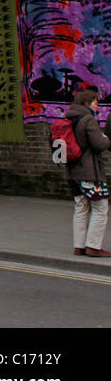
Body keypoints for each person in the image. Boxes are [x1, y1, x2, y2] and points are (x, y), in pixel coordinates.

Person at [64, 87, 111, 257]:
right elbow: (99, 144)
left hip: (73, 172)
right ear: (87, 103)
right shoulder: (88, 120)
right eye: (95, 102)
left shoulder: (69, 118)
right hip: (90, 173)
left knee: (81, 208)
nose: (98, 105)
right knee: (100, 208)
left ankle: (79, 246)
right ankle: (93, 246)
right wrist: (106, 139)